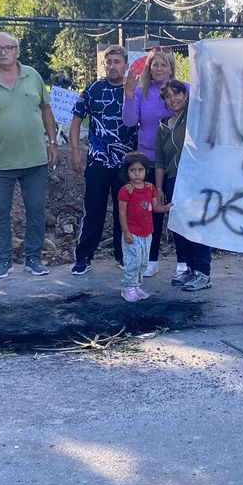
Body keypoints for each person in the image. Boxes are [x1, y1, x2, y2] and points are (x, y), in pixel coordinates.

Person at [0, 31, 58, 279]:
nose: (3, 52)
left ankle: (34, 259)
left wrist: (52, 142)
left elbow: (46, 110)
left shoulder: (33, 76)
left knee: (36, 210)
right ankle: (3, 260)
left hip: (35, 160)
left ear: (17, 51)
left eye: (8, 48)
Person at [69, 45, 134, 274]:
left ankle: (123, 254)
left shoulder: (134, 90)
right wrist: (75, 151)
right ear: (104, 65)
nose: (113, 66)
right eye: (109, 62)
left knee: (124, 211)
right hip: (97, 162)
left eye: (117, 62)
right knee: (93, 210)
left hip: (128, 166)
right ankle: (84, 257)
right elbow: (76, 121)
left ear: (125, 65)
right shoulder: (93, 90)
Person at [122, 47, 178, 279]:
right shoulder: (140, 92)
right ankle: (151, 260)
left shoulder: (178, 91)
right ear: (149, 67)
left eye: (163, 64)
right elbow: (129, 121)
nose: (158, 69)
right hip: (148, 161)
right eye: (154, 64)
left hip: (174, 160)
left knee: (175, 211)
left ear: (171, 68)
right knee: (150, 213)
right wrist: (128, 94)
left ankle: (183, 264)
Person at [154, 79, 214, 292]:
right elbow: (160, 161)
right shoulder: (162, 126)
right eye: (168, 96)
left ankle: (202, 273)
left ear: (186, 95)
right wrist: (159, 188)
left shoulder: (194, 117)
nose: (173, 99)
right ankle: (189, 268)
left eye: (177, 94)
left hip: (194, 180)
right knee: (179, 228)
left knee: (196, 226)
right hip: (172, 182)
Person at [117, 151, 171, 302]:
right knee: (132, 261)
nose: (136, 174)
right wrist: (126, 231)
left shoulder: (150, 187)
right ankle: (128, 287)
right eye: (132, 170)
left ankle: (136, 286)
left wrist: (166, 207)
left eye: (140, 170)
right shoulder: (126, 190)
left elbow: (155, 207)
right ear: (127, 172)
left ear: (146, 171)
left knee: (143, 262)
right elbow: (121, 213)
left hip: (147, 233)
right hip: (132, 233)